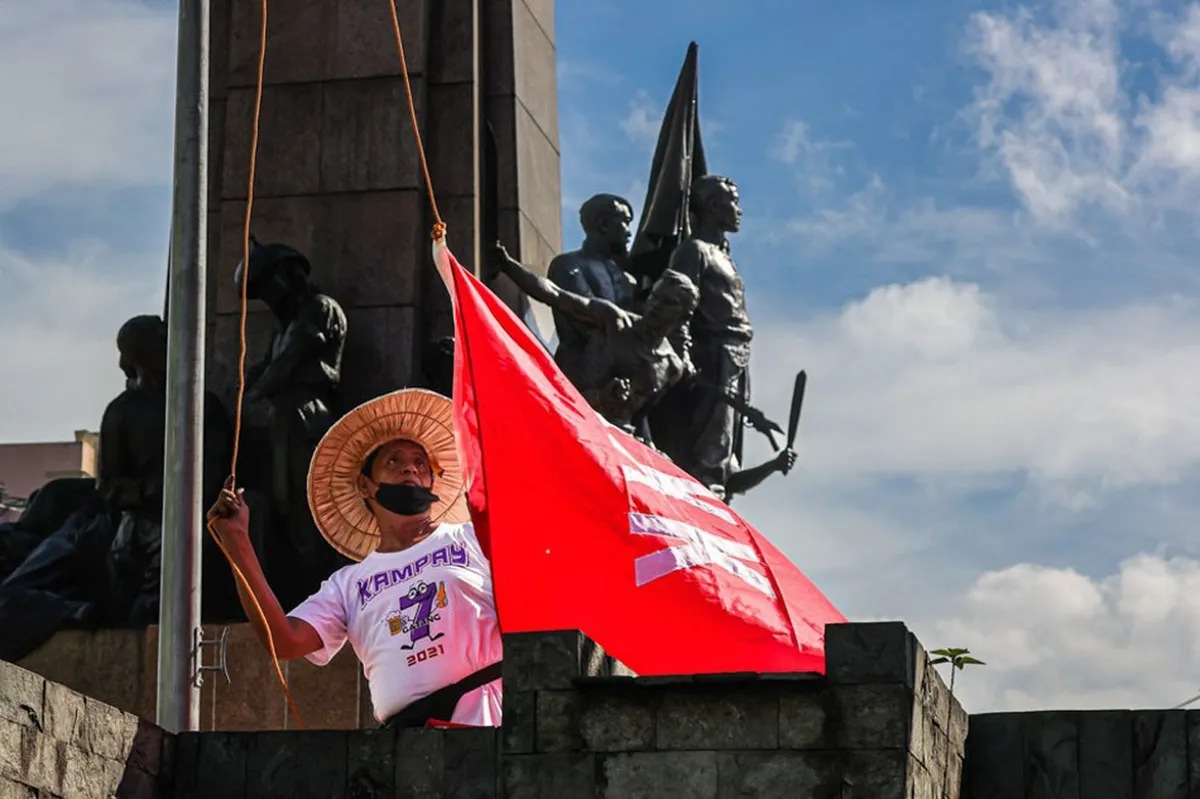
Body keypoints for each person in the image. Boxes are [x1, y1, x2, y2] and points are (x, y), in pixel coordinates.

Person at [206, 388, 503, 727]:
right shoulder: (348, 584)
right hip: (406, 746)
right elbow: (284, 640)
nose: (410, 467)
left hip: (488, 725)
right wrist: (237, 543)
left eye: (420, 463)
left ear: (433, 481)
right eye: (394, 461)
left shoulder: (473, 537)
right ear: (365, 486)